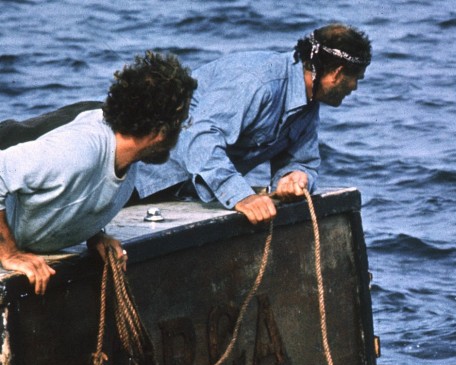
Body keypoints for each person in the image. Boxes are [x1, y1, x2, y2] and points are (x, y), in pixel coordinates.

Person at [132, 23, 372, 225]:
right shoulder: (259, 81)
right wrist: (241, 196)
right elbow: (202, 137)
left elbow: (302, 161)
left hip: (182, 196)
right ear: (338, 73)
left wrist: (295, 177)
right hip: (138, 176)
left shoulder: (308, 104)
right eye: (356, 79)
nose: (355, 88)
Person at [0, 52, 197, 294]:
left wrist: (93, 232)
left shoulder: (126, 159)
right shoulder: (79, 150)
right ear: (159, 131)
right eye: (180, 124)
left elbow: (80, 189)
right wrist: (8, 252)